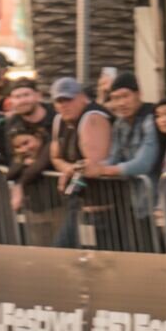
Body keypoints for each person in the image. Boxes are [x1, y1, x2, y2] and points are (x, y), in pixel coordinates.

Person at [52, 77, 114, 249]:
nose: (64, 105)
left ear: (81, 97)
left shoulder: (92, 118)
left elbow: (94, 165)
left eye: (68, 99)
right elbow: (55, 157)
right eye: (59, 100)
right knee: (64, 254)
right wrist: (69, 169)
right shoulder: (59, 121)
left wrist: (71, 170)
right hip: (79, 205)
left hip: (105, 209)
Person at [2, 78, 58, 245]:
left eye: (26, 94)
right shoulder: (13, 124)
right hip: (33, 201)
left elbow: (48, 156)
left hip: (61, 198)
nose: (21, 100)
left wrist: (20, 182)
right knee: (39, 250)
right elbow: (12, 161)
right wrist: (21, 166)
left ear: (38, 96)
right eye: (17, 97)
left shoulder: (55, 116)